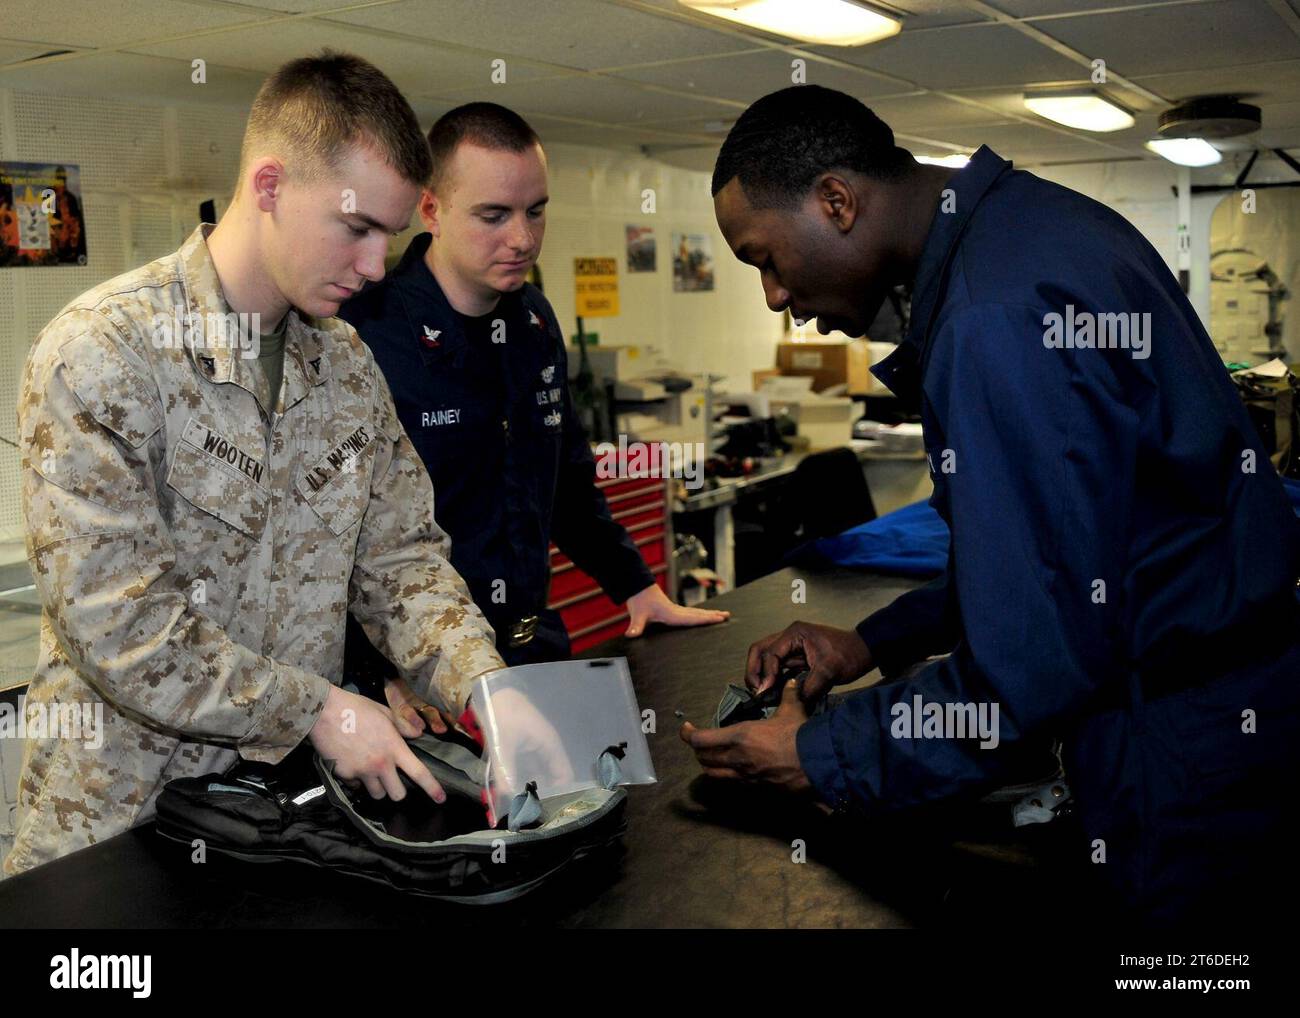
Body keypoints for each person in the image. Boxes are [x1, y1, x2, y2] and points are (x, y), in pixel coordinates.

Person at [680, 85, 1300, 925]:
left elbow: (1031, 666)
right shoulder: (1032, 229)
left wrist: (816, 753)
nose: (774, 297)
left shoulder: (994, 321)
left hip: (1184, 751)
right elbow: (1062, 560)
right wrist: (870, 639)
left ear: (836, 201)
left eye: (763, 258)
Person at [3, 51, 504, 877]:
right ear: (270, 187)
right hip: (118, 830)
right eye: (357, 229)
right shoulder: (103, 352)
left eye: (392, 236)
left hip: (284, 826)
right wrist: (316, 711)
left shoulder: (344, 365)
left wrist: (484, 689)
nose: (378, 266)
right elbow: (122, 629)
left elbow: (401, 560)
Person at [339, 102, 728, 672]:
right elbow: (329, 538)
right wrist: (371, 681)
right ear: (431, 209)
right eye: (493, 215)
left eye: (536, 212)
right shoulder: (362, 332)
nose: (522, 238)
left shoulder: (534, 323)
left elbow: (566, 485)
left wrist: (636, 586)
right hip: (415, 673)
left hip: (530, 647)